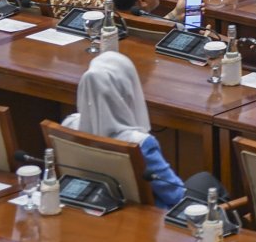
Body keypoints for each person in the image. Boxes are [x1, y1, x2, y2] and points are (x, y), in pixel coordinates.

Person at [64, 52, 222, 208]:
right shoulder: (140, 144)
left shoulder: (69, 126)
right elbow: (175, 195)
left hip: (98, 206)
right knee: (205, 181)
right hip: (151, 219)